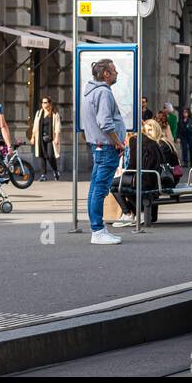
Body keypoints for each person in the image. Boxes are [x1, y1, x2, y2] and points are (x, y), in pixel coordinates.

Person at [80, 58, 127, 244]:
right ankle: (98, 230)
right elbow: (105, 123)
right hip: (107, 147)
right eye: (114, 71)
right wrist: (118, 143)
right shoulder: (103, 93)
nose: (117, 73)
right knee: (100, 189)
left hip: (99, 145)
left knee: (95, 187)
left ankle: (98, 228)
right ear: (106, 74)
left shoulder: (91, 91)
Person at [110, 120, 169, 227]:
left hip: (142, 179)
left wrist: (123, 174)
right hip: (154, 179)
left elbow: (133, 163)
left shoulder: (134, 140)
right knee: (122, 183)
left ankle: (129, 213)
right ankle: (138, 212)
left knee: (112, 184)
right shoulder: (153, 142)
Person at [29, 96, 64, 181]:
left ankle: (55, 171)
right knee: (42, 156)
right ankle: (43, 175)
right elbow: (35, 126)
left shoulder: (55, 114)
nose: (43, 104)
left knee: (50, 156)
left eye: (45, 102)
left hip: (50, 138)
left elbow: (57, 127)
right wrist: (33, 137)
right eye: (42, 102)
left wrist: (57, 137)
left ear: (49, 103)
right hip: (40, 137)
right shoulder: (39, 113)